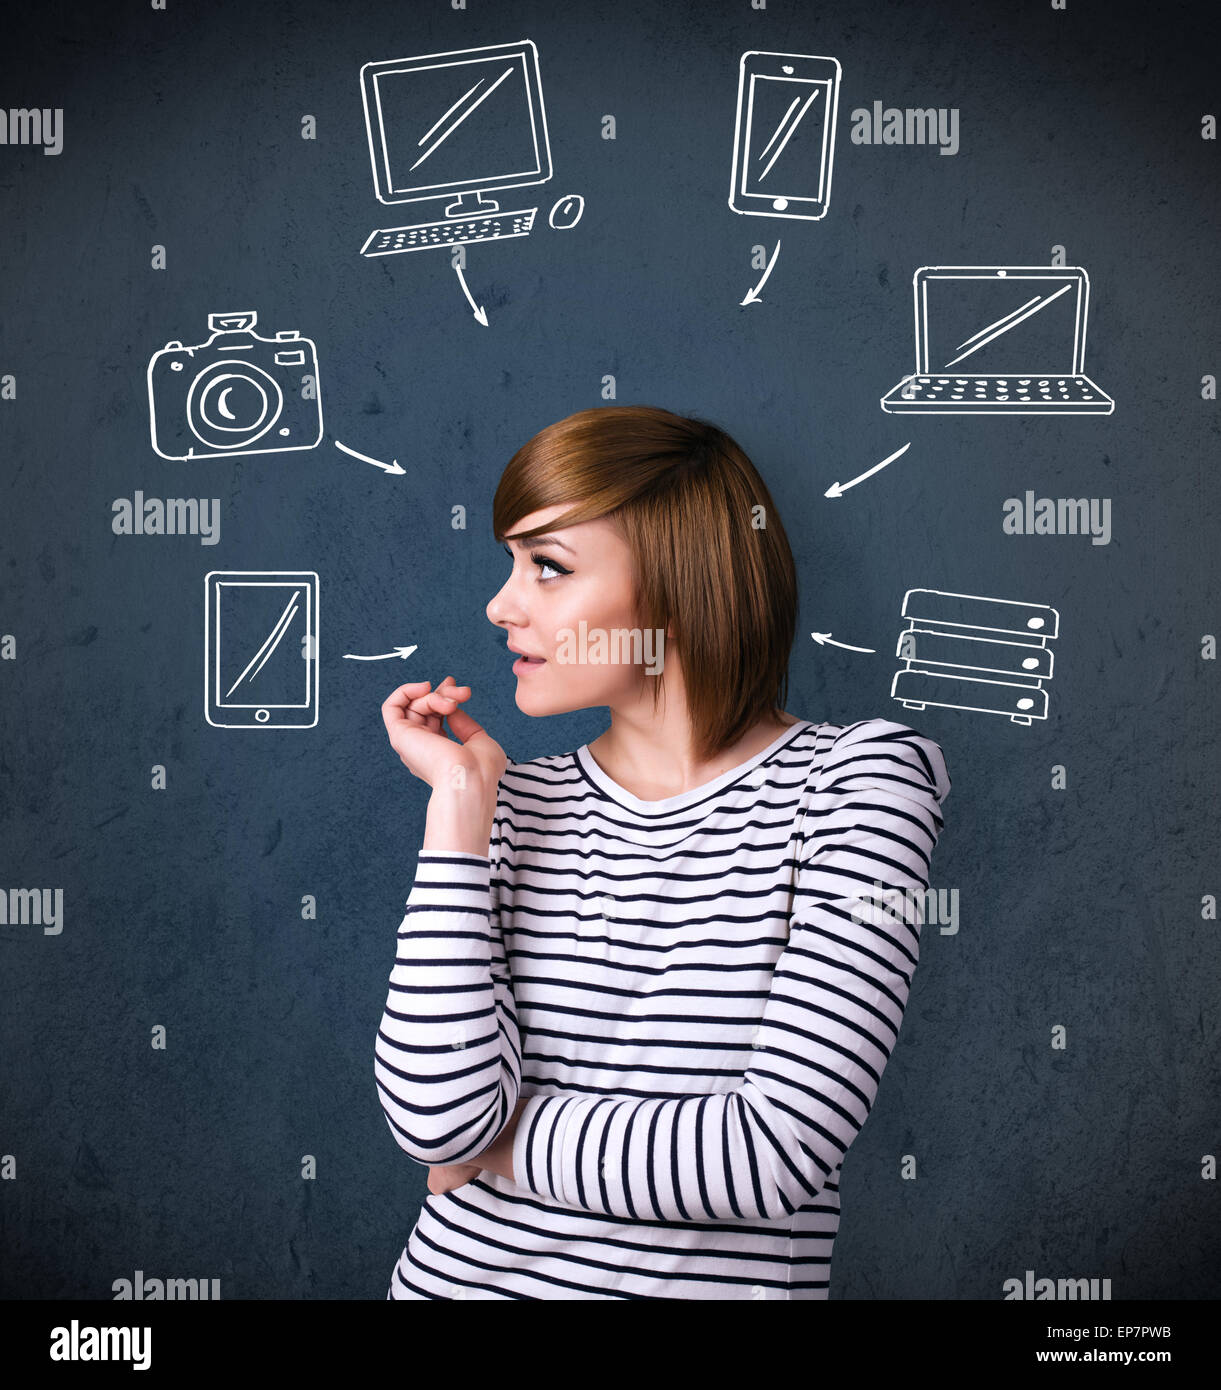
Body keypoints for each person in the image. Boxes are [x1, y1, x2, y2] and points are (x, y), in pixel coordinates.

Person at [375, 404, 951, 1299]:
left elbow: (769, 1155)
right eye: (510, 565)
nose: (500, 606)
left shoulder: (857, 781)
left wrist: (493, 1147)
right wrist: (457, 804)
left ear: (679, 589)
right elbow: (432, 1123)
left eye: (549, 568)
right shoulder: (504, 803)